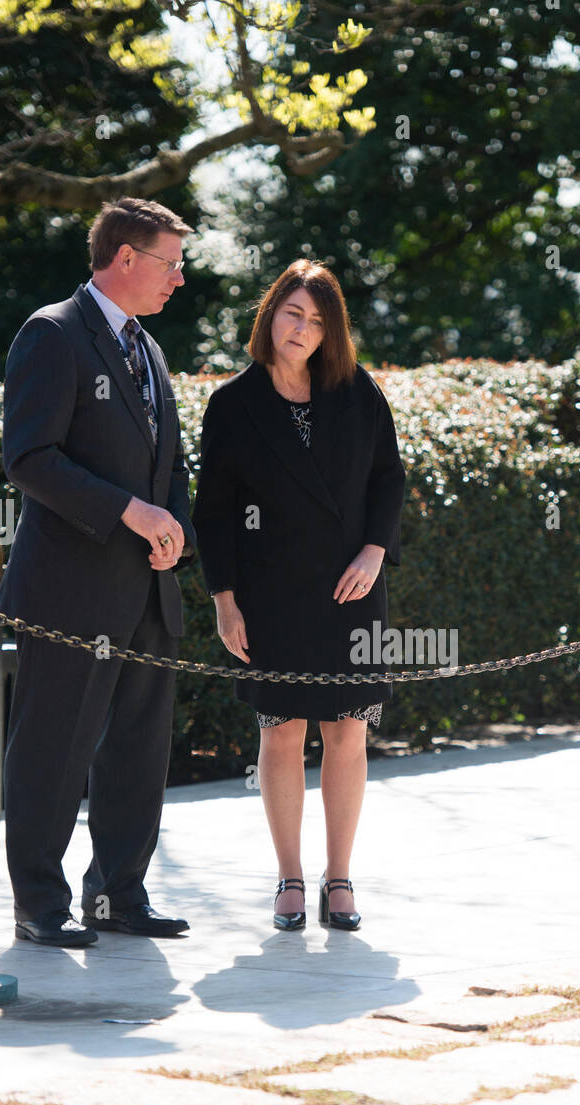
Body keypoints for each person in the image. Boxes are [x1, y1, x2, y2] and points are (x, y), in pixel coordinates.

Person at [0, 196, 197, 948]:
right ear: (124, 259)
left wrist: (170, 524)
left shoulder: (147, 347)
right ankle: (39, 906)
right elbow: (31, 458)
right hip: (69, 589)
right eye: (170, 263)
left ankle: (118, 896)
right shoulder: (52, 334)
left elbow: (165, 462)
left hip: (148, 586)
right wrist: (129, 513)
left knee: (138, 750)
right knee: (53, 747)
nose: (179, 278)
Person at [192, 259, 405, 931]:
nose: (303, 329)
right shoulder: (232, 403)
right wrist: (224, 599)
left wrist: (375, 550)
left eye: (317, 320)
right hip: (269, 595)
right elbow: (215, 512)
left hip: (351, 590)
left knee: (348, 732)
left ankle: (338, 879)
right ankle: (288, 878)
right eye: (292, 313)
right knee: (280, 732)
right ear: (270, 315)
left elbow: (388, 480)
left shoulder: (357, 391)